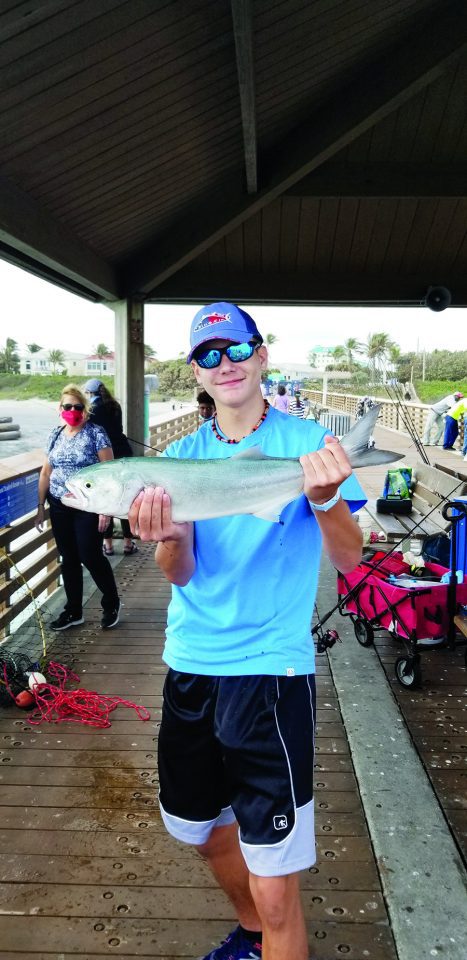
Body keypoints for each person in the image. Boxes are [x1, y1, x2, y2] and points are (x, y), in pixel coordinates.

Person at [127, 302, 365, 960]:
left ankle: (270, 925)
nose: (223, 363)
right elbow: (180, 574)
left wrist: (322, 497)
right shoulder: (180, 457)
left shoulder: (310, 443)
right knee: (199, 829)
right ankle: (254, 933)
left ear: (261, 355)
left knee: (276, 883)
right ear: (195, 373)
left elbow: (351, 560)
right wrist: (170, 539)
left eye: (235, 349)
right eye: (207, 355)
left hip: (269, 673)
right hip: (192, 664)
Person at [35, 384, 121, 631]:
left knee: (90, 555)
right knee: (68, 558)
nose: (72, 410)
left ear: (85, 409)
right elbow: (45, 472)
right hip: (59, 505)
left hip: (88, 505)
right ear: (59, 408)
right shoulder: (55, 434)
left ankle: (111, 603)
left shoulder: (96, 433)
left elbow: (110, 473)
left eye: (78, 406)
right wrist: (40, 505)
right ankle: (73, 611)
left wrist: (106, 509)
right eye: (67, 406)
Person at [83, 378, 138, 556]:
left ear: (90, 393)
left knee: (107, 500)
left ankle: (108, 545)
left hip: (106, 455)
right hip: (123, 452)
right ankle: (128, 543)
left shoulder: (92, 409)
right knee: (125, 499)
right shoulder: (115, 405)